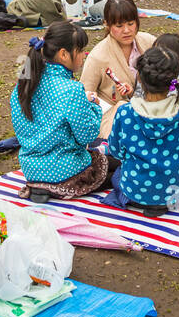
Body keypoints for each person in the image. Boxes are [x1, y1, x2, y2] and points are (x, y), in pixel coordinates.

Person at [10, 22, 110, 200]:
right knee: (114, 166)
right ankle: (56, 188)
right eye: (81, 51)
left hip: (31, 169)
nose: (83, 56)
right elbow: (86, 136)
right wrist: (93, 104)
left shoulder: (23, 84)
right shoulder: (71, 90)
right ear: (64, 54)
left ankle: (42, 187)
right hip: (64, 171)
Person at [103, 45, 179, 212]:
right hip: (174, 197)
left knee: (117, 173)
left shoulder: (125, 112)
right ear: (174, 79)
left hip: (135, 195)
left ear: (139, 77)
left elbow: (116, 151)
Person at [80, 0, 157, 136]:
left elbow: (173, 77)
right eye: (119, 26)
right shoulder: (98, 56)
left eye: (131, 23)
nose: (126, 30)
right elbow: (83, 97)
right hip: (114, 120)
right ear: (107, 25)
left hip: (152, 109)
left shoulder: (150, 43)